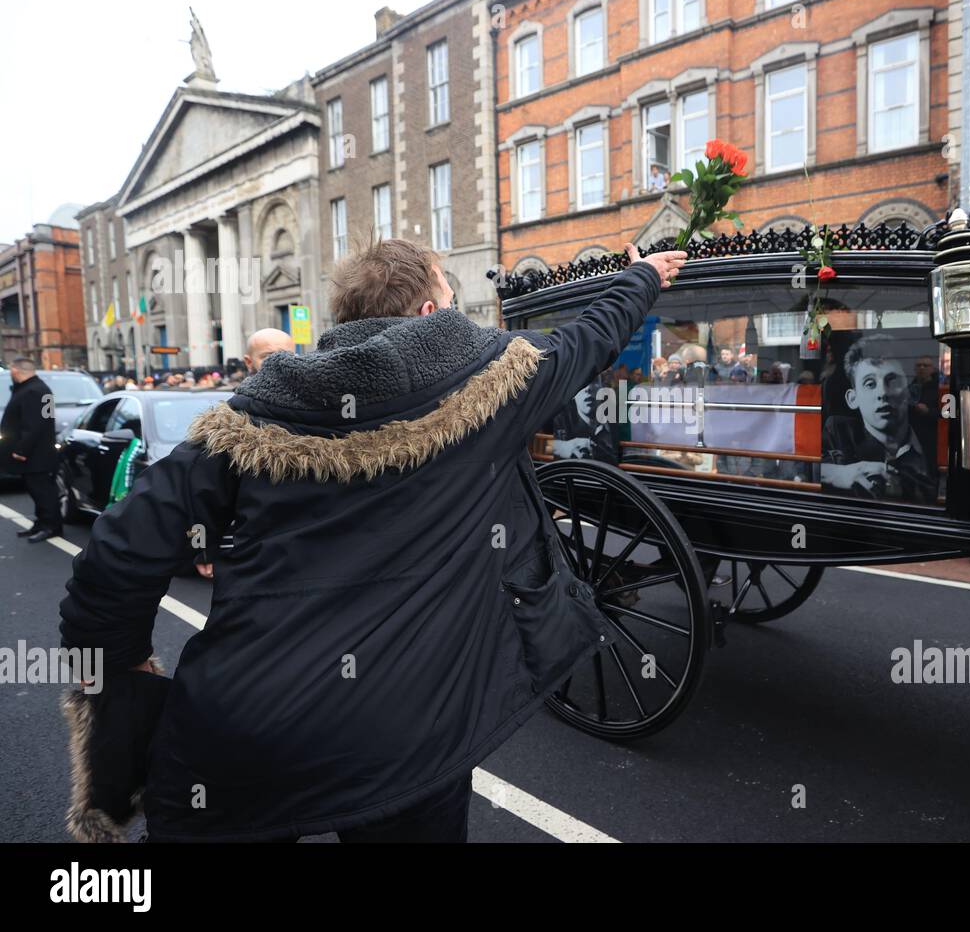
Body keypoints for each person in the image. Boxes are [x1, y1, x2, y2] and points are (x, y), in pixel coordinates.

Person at [58, 237, 686, 843]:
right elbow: (591, 337)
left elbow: (113, 560)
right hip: (405, 740)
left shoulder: (252, 416)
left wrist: (129, 670)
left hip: (238, 728)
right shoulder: (498, 387)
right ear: (430, 311)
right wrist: (644, 276)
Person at [821, 333, 938, 503]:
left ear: (912, 393)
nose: (882, 393)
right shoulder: (838, 431)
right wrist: (838, 474)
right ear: (853, 399)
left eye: (892, 381)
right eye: (870, 384)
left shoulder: (930, 439)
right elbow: (806, 469)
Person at [1, 359, 62, 543]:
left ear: (17, 371)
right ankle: (43, 523)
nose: (11, 374)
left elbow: (36, 426)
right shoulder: (40, 389)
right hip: (39, 451)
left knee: (43, 491)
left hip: (36, 454)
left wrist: (22, 450)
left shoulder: (34, 391)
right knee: (38, 489)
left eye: (12, 371)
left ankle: (51, 526)